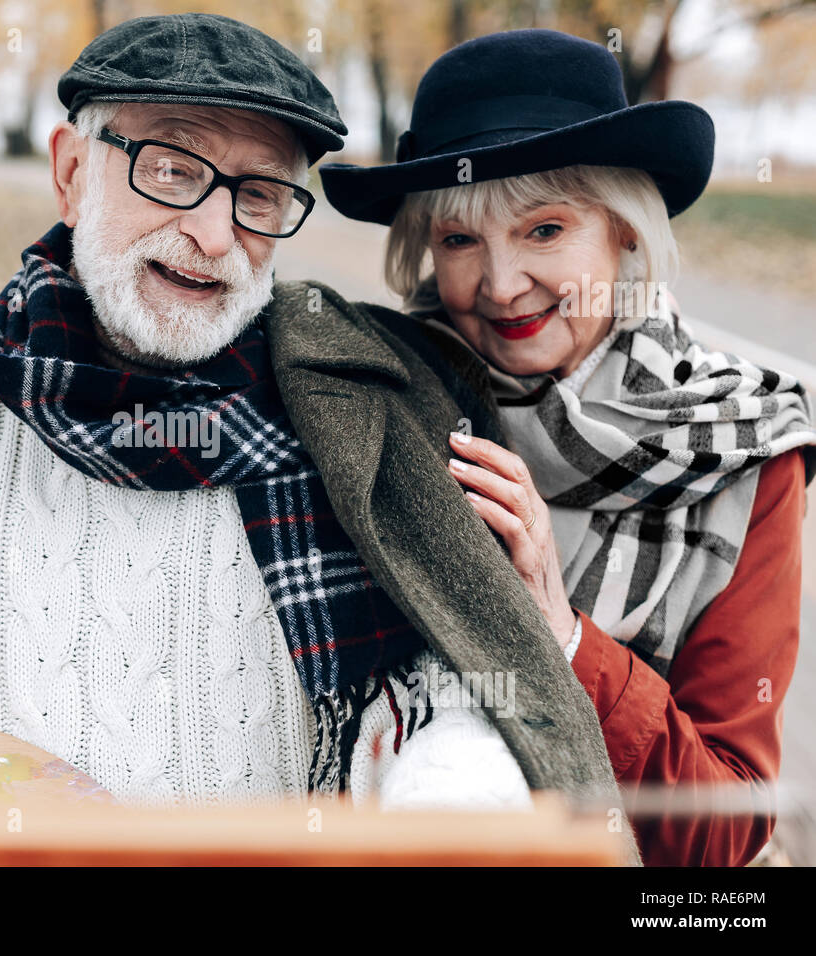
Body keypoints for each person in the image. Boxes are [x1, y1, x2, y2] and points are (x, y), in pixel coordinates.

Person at [0, 14, 640, 863]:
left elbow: (464, 678)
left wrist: (451, 784)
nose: (214, 235)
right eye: (173, 170)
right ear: (72, 173)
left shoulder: (403, 399)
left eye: (258, 194)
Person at [320, 27, 816, 866]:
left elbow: (726, 832)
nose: (502, 284)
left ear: (625, 230)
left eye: (545, 230)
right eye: (459, 239)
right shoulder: (382, 399)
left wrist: (561, 633)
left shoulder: (749, 453)